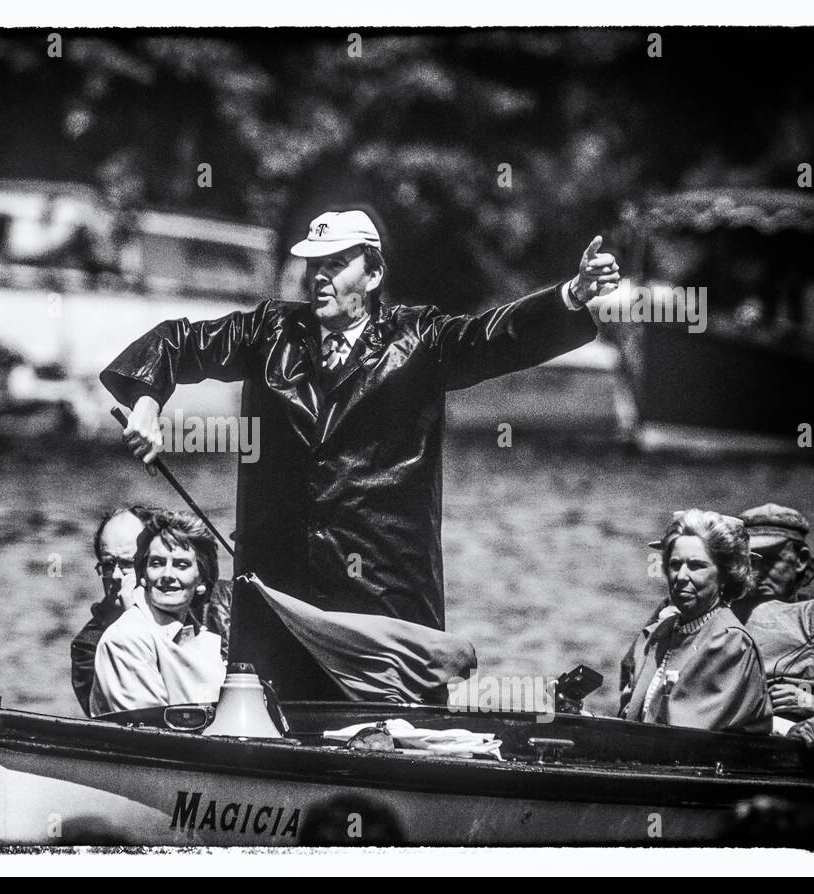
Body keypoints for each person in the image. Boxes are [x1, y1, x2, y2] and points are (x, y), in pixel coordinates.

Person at [101, 209, 618, 698]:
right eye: (312, 266)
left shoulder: (420, 338)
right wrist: (147, 402)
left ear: (372, 276)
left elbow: (492, 338)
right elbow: (181, 341)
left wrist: (570, 295)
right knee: (265, 726)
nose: (318, 278)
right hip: (276, 596)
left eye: (334, 265)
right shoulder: (269, 330)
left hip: (382, 594)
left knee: (386, 730)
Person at [619, 510, 771, 732]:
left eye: (697, 566)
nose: (681, 576)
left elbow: (684, 736)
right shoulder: (660, 633)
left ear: (725, 575)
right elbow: (631, 720)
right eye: (674, 565)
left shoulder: (731, 642)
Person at [70, 505, 232, 712]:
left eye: (127, 563)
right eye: (109, 565)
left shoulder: (213, 610)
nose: (117, 576)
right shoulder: (102, 642)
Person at [732, 503, 814, 744]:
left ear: (801, 560)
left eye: (770, 560)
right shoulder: (708, 609)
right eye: (750, 560)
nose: (756, 572)